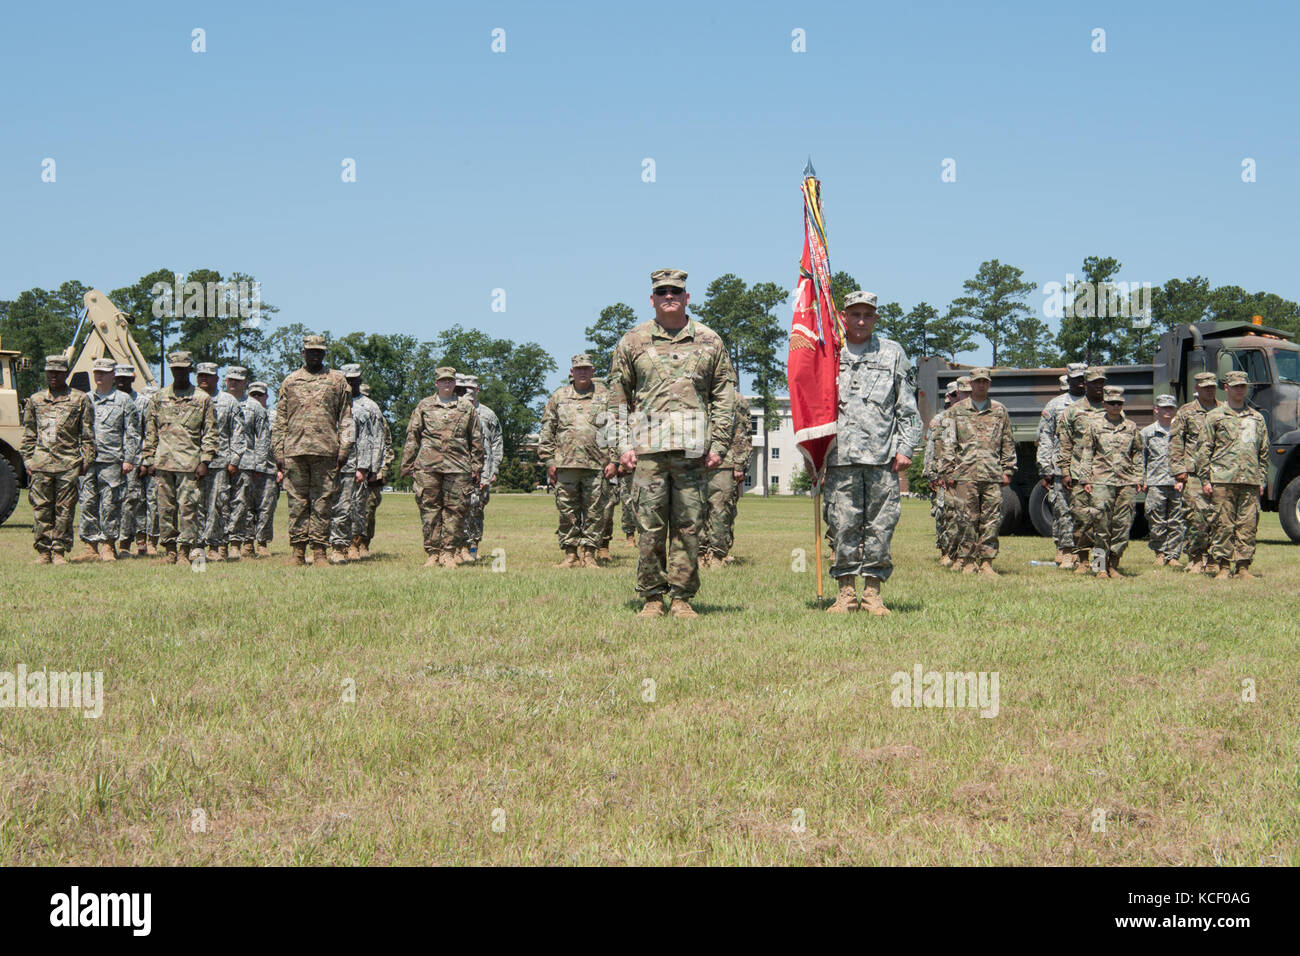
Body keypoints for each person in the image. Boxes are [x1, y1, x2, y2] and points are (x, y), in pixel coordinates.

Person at [608, 269, 735, 619]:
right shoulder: (633, 341)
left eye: (676, 291)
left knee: (689, 524)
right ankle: (651, 596)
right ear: (652, 298)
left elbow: (724, 396)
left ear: (687, 297)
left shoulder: (710, 341)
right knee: (650, 524)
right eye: (662, 291)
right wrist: (621, 446)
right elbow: (617, 397)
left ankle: (680, 597)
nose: (669, 296)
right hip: (648, 448)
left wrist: (720, 444)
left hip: (693, 447)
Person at [821, 290, 920, 612]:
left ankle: (873, 593)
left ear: (875, 318)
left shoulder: (892, 353)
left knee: (881, 527)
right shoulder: (827, 355)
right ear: (843, 317)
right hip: (839, 460)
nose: (861, 320)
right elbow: (811, 406)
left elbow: (907, 407)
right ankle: (846, 592)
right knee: (842, 526)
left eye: (867, 315)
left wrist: (905, 448)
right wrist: (815, 454)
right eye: (854, 314)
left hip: (882, 459)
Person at [274, 335, 355, 566]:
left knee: (322, 502)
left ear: (324, 353)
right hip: (295, 451)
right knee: (297, 503)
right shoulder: (290, 381)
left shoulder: (337, 380)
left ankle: (320, 551)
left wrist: (345, 447)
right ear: (303, 353)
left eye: (319, 351)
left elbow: (346, 417)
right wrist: (278, 451)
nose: (315, 355)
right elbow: (280, 419)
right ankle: (298, 551)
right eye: (311, 351)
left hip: (326, 451)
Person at [537, 354, 615, 568]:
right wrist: (549, 461)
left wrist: (614, 460)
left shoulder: (606, 397)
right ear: (571, 372)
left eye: (586, 368)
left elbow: (616, 430)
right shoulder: (559, 397)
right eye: (578, 368)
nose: (582, 372)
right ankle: (570, 554)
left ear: (593, 371)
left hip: (596, 464)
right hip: (565, 464)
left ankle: (589, 554)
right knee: (567, 511)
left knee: (595, 512)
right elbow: (547, 430)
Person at [141, 352, 217, 565]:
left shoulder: (202, 399)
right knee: (165, 510)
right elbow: (150, 431)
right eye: (176, 369)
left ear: (189, 370)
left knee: (188, 509)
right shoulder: (159, 398)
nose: (180, 372)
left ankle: (184, 550)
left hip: (189, 463)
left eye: (183, 369)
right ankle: (170, 550)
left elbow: (210, 432)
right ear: (171, 370)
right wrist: (149, 459)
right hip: (164, 462)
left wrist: (206, 460)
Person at [936, 367, 1014, 577]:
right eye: (977, 381)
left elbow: (1007, 442)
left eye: (985, 381)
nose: (981, 385)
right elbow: (948, 443)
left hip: (991, 473)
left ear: (989, 384)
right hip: (965, 473)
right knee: (966, 519)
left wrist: (1008, 469)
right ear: (970, 384)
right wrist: (948, 471)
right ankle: (968, 560)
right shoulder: (957, 410)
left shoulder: (999, 410)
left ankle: (987, 562)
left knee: (991, 518)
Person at [402, 367, 483, 567]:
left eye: (450, 381)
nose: (447, 384)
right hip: (428, 467)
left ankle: (449, 552)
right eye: (443, 381)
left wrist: (477, 466)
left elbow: (476, 439)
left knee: (455, 511)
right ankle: (433, 553)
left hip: (458, 467)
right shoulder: (424, 406)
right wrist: (407, 463)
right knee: (429, 510)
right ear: (436, 383)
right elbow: (413, 436)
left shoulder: (466, 408)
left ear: (455, 384)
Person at [21, 355, 95, 564]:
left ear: (65, 373)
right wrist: (28, 460)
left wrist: (85, 462)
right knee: (41, 509)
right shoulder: (35, 400)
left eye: (58, 372)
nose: (53, 376)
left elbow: (88, 435)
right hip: (41, 463)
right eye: (50, 372)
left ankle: (60, 551)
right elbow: (28, 434)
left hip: (68, 463)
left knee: (65, 510)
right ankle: (44, 552)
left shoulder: (79, 399)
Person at [1196, 370, 1269, 579]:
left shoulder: (1257, 418)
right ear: (1226, 388)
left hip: (1250, 480)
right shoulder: (1215, 416)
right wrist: (1205, 479)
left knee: (1248, 525)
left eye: (1243, 386)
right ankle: (1224, 567)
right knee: (1222, 524)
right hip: (1222, 480)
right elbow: (1203, 450)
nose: (1239, 389)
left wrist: (1261, 478)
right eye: (1235, 386)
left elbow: (1263, 451)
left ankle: (1243, 567)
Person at [76, 357, 141, 561]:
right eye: (96, 373)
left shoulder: (123, 400)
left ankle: (108, 545)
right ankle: (90, 546)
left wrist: (129, 458)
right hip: (88, 462)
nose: (99, 376)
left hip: (112, 460)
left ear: (113, 375)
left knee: (110, 505)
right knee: (87, 502)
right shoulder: (84, 399)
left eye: (103, 373)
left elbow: (132, 432)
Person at [1079, 386, 1143, 578]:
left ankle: (1113, 565)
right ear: (1105, 404)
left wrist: (1139, 477)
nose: (1116, 406)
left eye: (1119, 403)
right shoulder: (1094, 426)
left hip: (1126, 481)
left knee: (1122, 525)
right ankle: (1099, 567)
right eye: (1112, 403)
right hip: (1101, 481)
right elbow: (1087, 453)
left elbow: (1138, 453)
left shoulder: (1131, 427)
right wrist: (1085, 478)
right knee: (1100, 525)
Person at [330, 364, 385, 562]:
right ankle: (337, 545)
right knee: (334, 507)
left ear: (360, 381)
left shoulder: (369, 407)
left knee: (356, 508)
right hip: (333, 464)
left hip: (358, 465)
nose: (351, 383)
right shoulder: (333, 401)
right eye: (347, 379)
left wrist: (369, 467)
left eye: (354, 379)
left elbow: (376, 439)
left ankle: (354, 543)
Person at [1168, 371, 1221, 573]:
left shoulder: (1223, 410)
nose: (1209, 390)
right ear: (1197, 389)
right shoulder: (1186, 412)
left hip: (1219, 473)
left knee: (1218, 518)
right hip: (1194, 473)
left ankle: (1215, 559)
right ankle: (1196, 558)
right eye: (1205, 386)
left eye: (1212, 386)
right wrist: (1178, 469)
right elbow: (1175, 441)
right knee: (1196, 518)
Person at [1057, 366, 1107, 574]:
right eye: (1094, 383)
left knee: (1103, 522)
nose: (1099, 387)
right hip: (1079, 473)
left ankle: (1101, 564)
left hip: (1106, 474)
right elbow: (1065, 443)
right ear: (1085, 384)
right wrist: (1065, 471)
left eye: (1101, 383)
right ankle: (1083, 561)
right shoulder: (1072, 411)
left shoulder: (1112, 408)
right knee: (1082, 519)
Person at [1037, 363, 1087, 568]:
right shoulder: (1055, 405)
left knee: (1088, 513)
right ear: (1069, 379)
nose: (1080, 381)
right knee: (1063, 512)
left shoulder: (1096, 404)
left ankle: (1083, 553)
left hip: (1089, 468)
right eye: (1076, 378)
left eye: (1083, 377)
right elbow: (1045, 436)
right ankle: (1066, 551)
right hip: (1061, 467)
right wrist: (1045, 467)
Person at [195, 362, 246, 561]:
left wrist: (234, 459)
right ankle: (197, 545)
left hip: (219, 462)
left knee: (218, 504)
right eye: (201, 375)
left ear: (217, 378)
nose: (204, 379)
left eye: (208, 375)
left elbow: (238, 432)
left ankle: (215, 545)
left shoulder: (228, 401)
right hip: (193, 462)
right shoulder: (191, 399)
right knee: (195, 504)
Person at [700, 380, 752, 567]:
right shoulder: (694, 395)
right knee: (696, 510)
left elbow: (742, 432)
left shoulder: (734, 399)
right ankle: (699, 553)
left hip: (725, 462)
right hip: (695, 460)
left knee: (720, 511)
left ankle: (717, 555)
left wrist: (739, 464)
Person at [461, 375, 502, 562]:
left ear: (478, 389)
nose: (468, 391)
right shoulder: (456, 411)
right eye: (464, 388)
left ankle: (472, 546)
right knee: (456, 508)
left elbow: (496, 443)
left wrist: (494, 470)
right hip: (458, 467)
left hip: (482, 470)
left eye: (472, 388)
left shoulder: (488, 414)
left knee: (476, 508)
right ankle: (457, 546)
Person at [1141, 394, 1183, 566]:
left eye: (1171, 408)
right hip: (1155, 482)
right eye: (1164, 408)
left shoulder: (1180, 431)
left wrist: (1183, 478)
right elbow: (1140, 458)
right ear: (1156, 410)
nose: (1168, 411)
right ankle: (1159, 554)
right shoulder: (1147, 432)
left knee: (1177, 521)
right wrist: (1143, 480)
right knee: (1156, 519)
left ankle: (1173, 556)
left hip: (1176, 483)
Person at [238, 381, 280, 555]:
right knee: (246, 506)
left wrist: (280, 468)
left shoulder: (274, 416)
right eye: (253, 394)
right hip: (246, 465)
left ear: (266, 396)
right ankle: (247, 541)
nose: (256, 397)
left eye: (259, 395)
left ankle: (262, 543)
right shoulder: (242, 410)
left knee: (266, 507)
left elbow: (278, 442)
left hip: (268, 468)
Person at [113, 364, 149, 556]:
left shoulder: (142, 402)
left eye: (126, 378)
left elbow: (148, 432)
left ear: (133, 379)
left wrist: (144, 460)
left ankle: (128, 542)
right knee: (112, 500)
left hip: (134, 460)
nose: (121, 381)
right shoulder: (109, 400)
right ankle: (110, 540)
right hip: (110, 458)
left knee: (133, 500)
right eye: (118, 377)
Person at [924, 383, 957, 565]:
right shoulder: (938, 420)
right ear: (948, 398)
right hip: (942, 475)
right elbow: (931, 448)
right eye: (953, 395)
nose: (956, 398)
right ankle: (945, 551)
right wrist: (931, 474)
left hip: (961, 474)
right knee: (942, 512)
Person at [360, 382, 391, 556]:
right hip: (350, 467)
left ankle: (364, 543)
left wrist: (382, 470)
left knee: (368, 509)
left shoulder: (378, 418)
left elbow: (387, 446)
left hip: (373, 470)